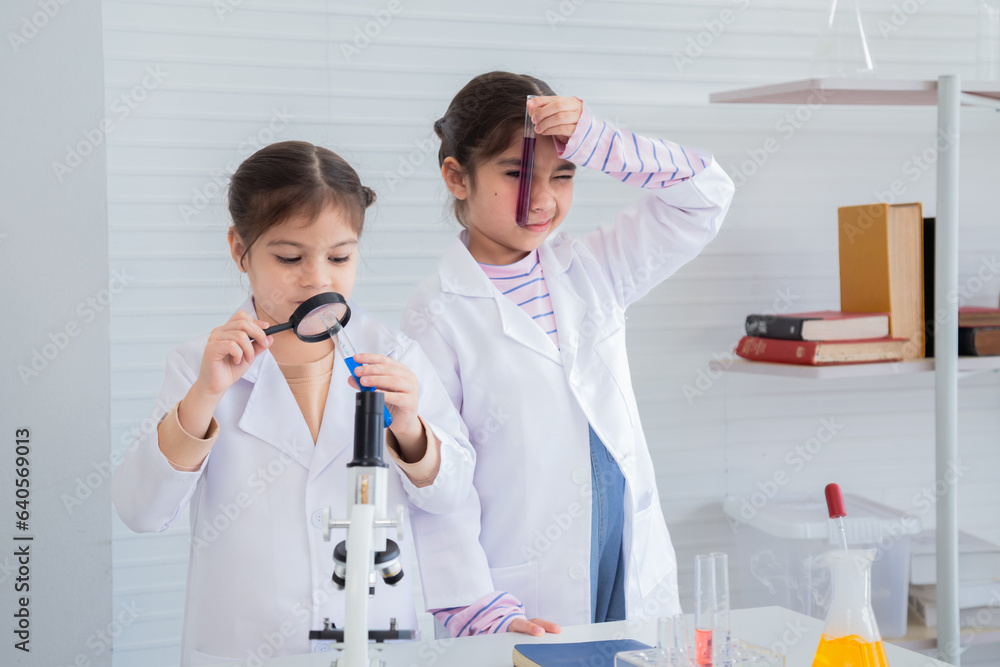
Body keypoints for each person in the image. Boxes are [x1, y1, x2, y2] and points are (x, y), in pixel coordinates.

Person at [111, 141, 548, 666]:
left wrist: (411, 430)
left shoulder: (393, 354)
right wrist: (205, 394)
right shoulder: (197, 368)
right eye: (290, 257)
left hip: (372, 642)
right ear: (239, 250)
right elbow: (141, 510)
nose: (317, 277)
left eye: (340, 256)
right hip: (247, 647)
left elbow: (450, 497)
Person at [402, 71, 735, 626]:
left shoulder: (593, 269)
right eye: (515, 174)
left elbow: (705, 197)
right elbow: (440, 481)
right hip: (531, 587)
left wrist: (604, 142)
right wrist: (477, 609)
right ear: (457, 177)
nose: (544, 199)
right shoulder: (437, 312)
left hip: (627, 564)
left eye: (564, 175)